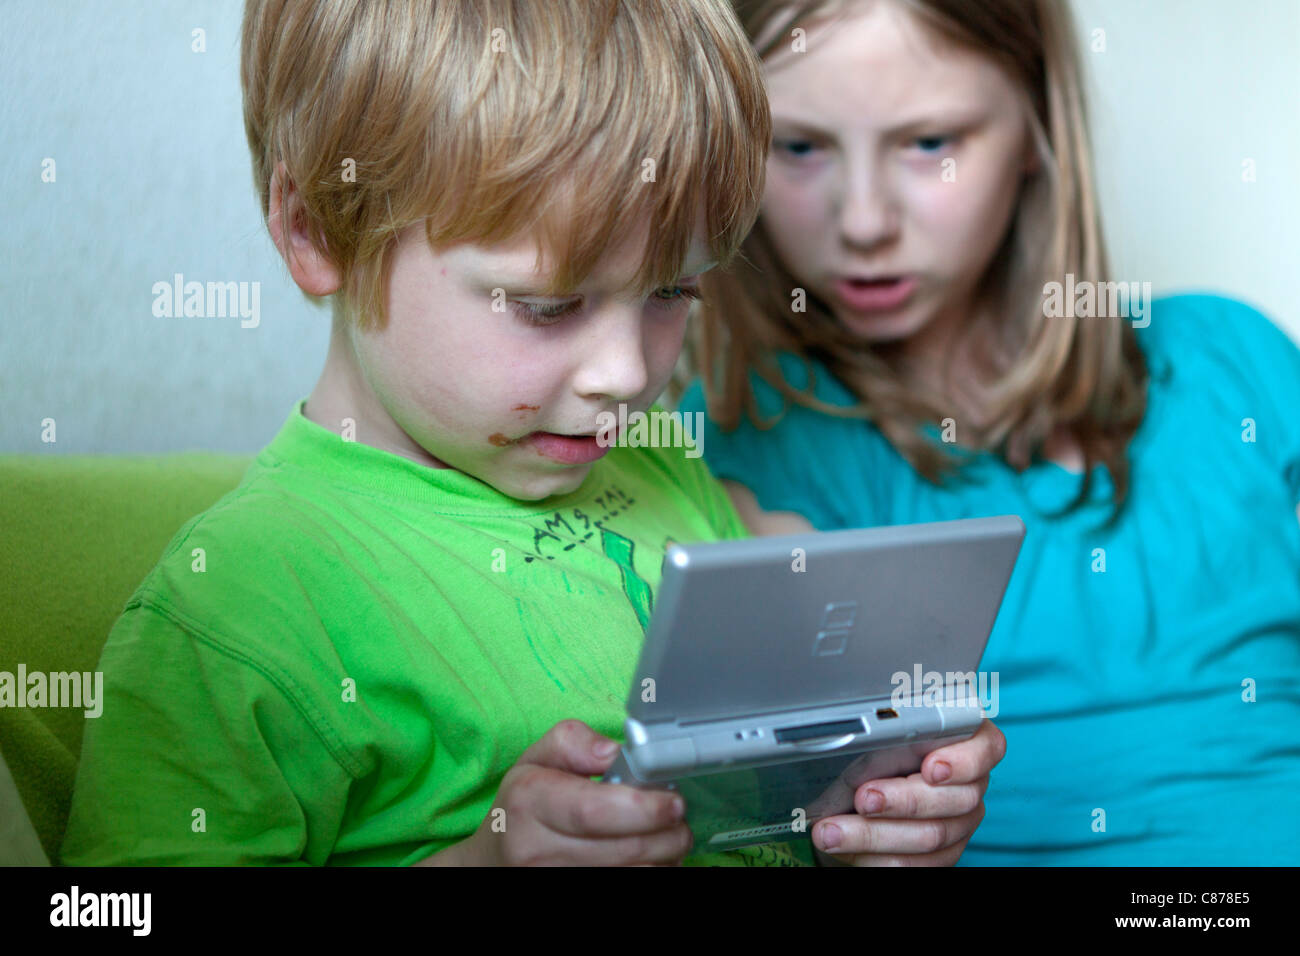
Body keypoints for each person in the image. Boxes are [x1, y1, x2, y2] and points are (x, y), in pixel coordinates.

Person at [60, 0, 1003, 868]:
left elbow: (753, 813)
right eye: (549, 306)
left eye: (672, 291)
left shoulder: (663, 475)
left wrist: (851, 813)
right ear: (316, 232)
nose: (625, 374)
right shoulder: (238, 606)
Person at [679, 0, 1300, 864]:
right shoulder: (745, 437)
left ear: (1037, 127)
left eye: (930, 143)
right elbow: (779, 820)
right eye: (800, 147)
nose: (863, 221)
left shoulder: (1234, 362)